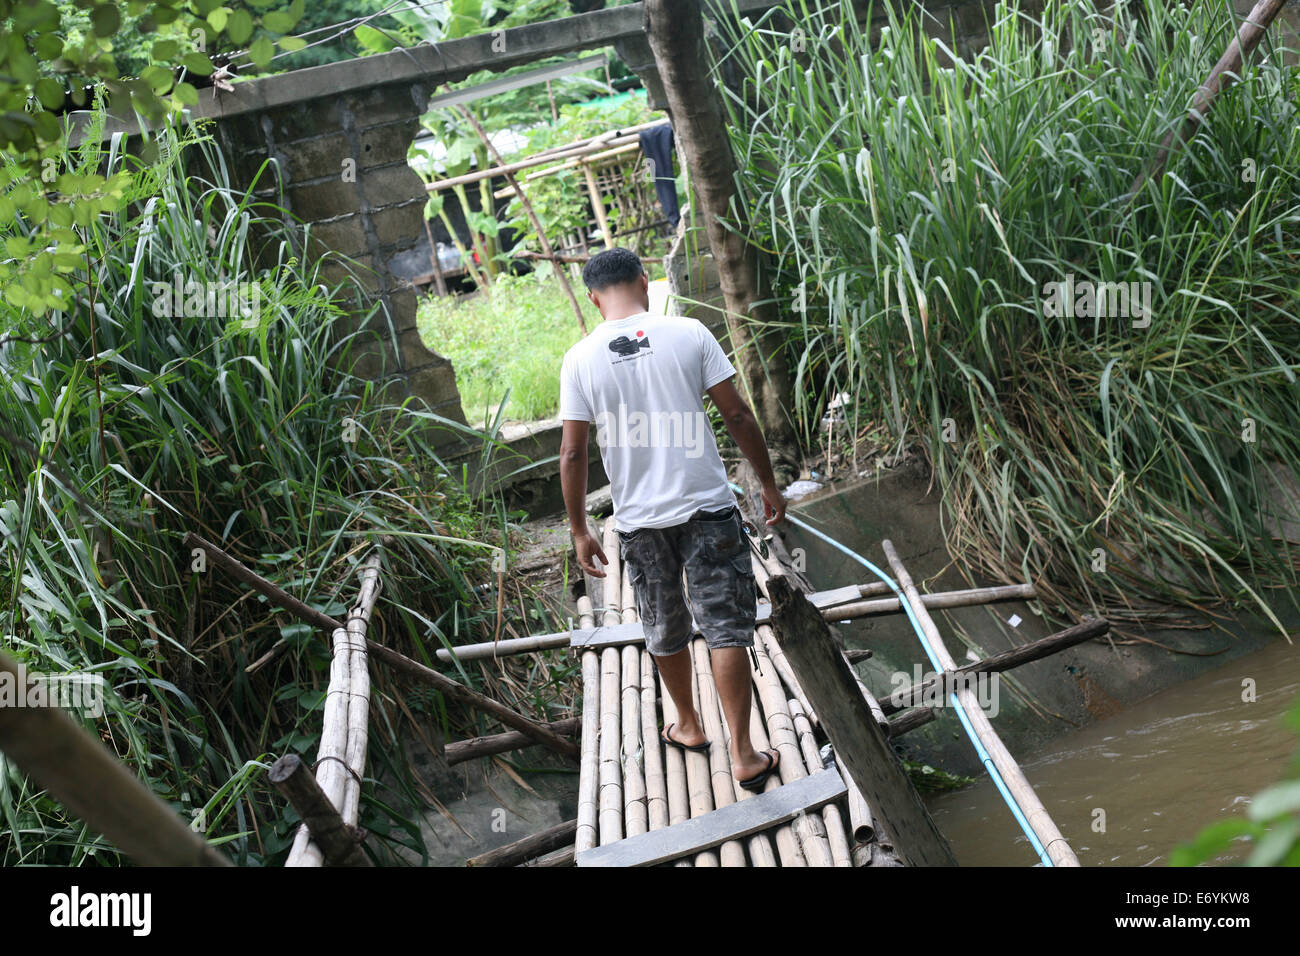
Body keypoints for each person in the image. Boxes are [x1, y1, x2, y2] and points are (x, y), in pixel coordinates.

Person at [558, 247, 789, 791]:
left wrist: (578, 528)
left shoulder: (579, 359)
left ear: (594, 298)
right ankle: (744, 754)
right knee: (726, 624)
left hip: (639, 518)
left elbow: (572, 454)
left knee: (663, 622)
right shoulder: (689, 332)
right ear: (645, 281)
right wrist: (768, 482)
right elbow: (735, 412)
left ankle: (687, 724)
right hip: (708, 505)